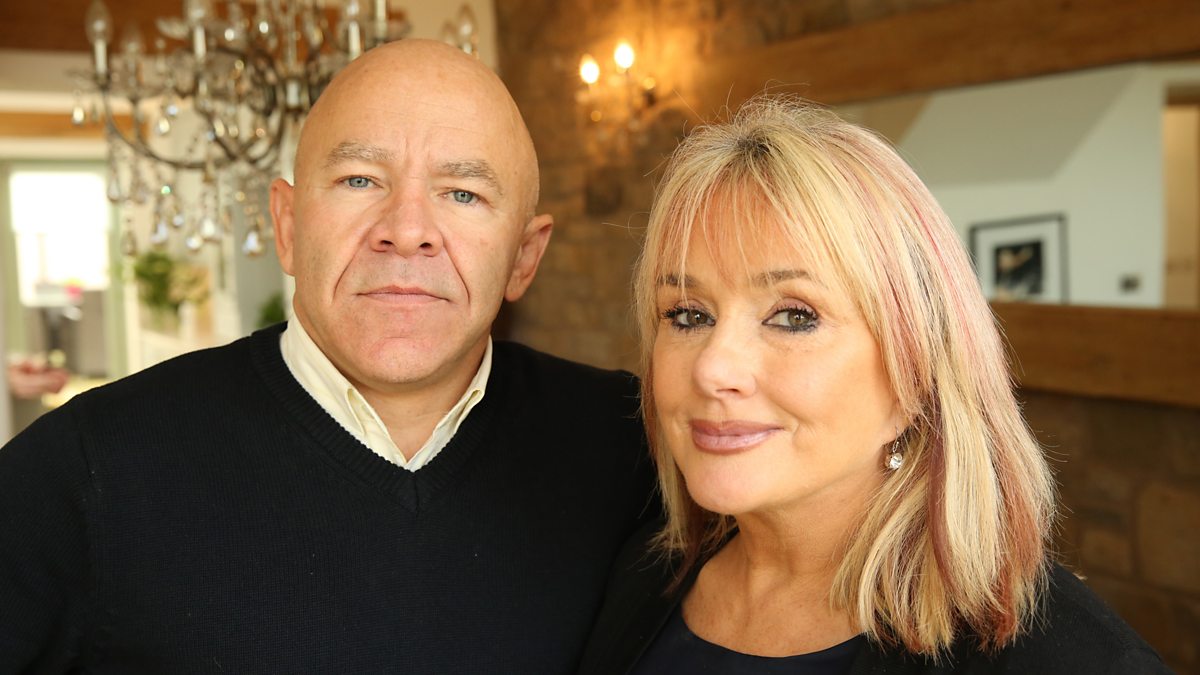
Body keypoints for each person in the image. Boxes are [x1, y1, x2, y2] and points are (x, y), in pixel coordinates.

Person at [0, 40, 654, 672]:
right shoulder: (88, 468)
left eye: (463, 193)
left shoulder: (633, 443)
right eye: (359, 179)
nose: (407, 231)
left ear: (523, 257)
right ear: (287, 226)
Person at [578, 96, 1169, 674]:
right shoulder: (638, 577)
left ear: (914, 372)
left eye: (794, 317)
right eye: (687, 314)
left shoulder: (1072, 659)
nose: (713, 369)